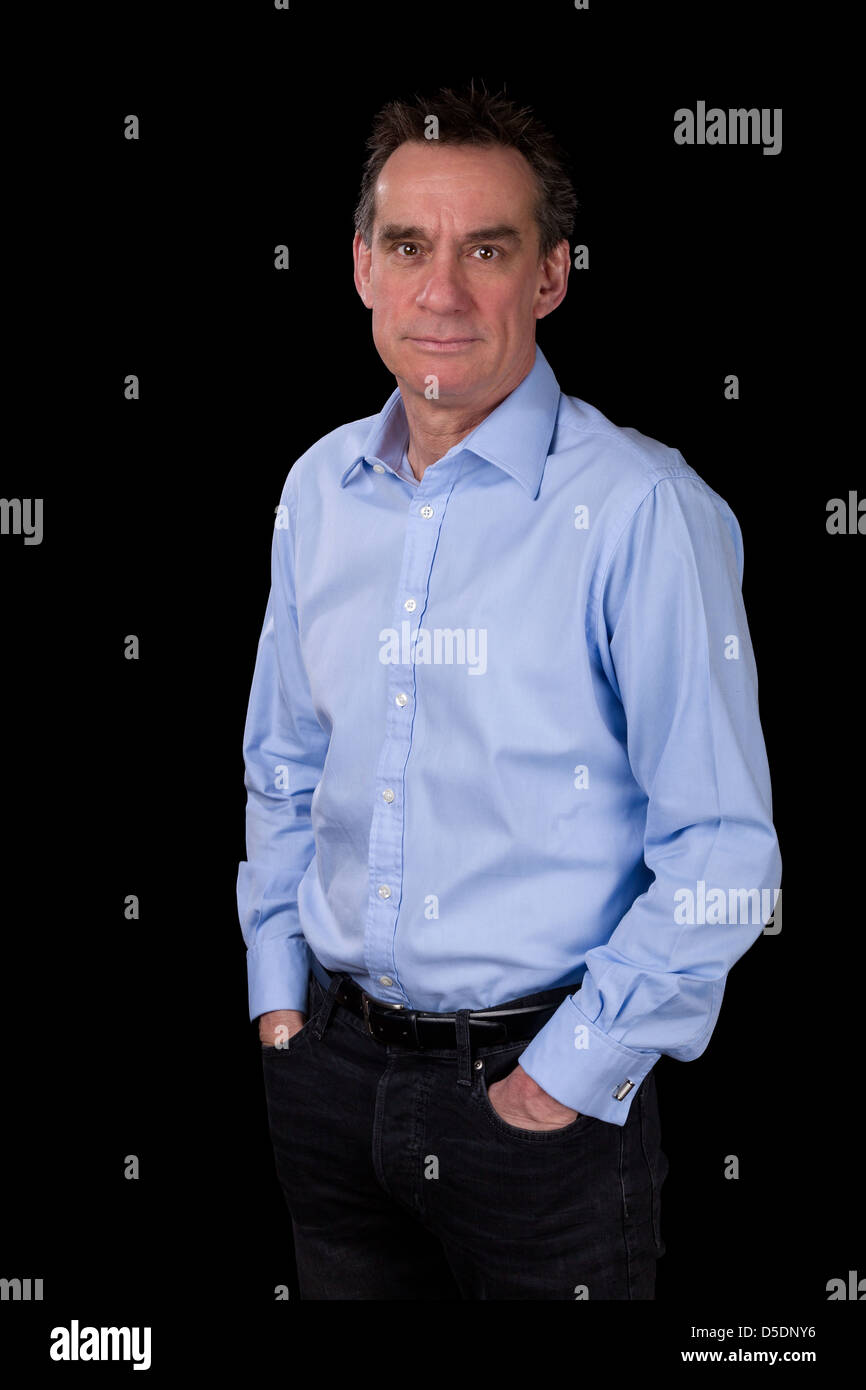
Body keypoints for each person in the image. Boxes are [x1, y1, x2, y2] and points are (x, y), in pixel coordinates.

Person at [236, 84, 782, 1300]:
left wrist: (558, 1077)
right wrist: (280, 1003)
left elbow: (723, 851)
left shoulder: (642, 510)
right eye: (408, 247)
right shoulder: (318, 488)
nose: (442, 294)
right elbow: (281, 763)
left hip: (535, 1113)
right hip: (325, 1088)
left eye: (487, 249)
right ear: (361, 269)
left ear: (548, 277)